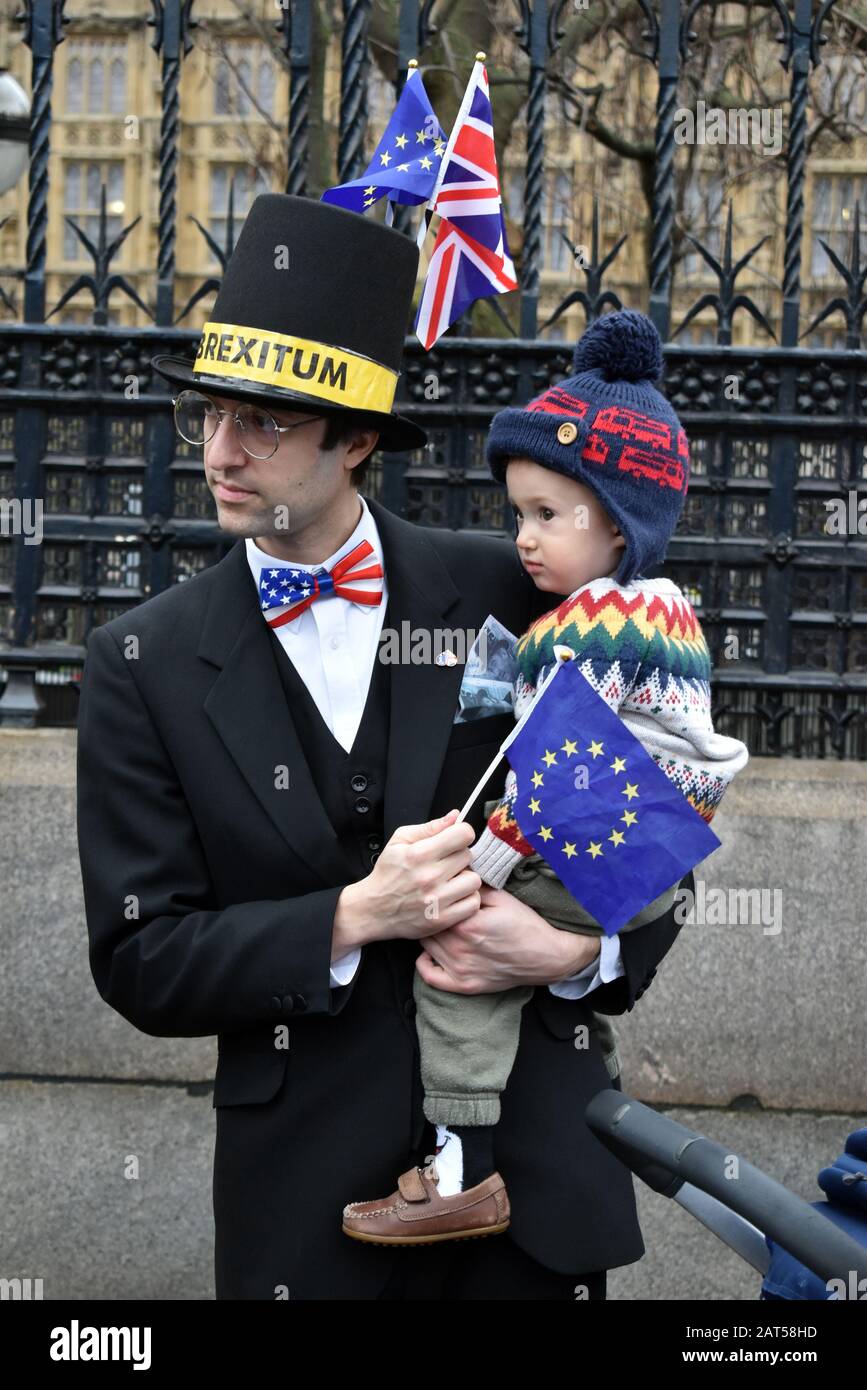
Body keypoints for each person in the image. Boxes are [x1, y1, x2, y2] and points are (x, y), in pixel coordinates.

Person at [76, 194, 688, 1301]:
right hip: (302, 1219)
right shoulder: (139, 662)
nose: (220, 453)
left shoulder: (519, 587)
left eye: (263, 422)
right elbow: (140, 958)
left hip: (536, 1200)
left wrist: (571, 957)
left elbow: (656, 837)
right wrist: (357, 914)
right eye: (209, 414)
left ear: (356, 439)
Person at [342, 310, 748, 1242]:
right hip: (634, 863)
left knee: (456, 972)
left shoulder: (590, 627)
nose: (522, 539)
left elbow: (558, 773)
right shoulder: (654, 610)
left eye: (546, 515)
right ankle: (541, 1112)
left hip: (589, 855)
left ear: (619, 521)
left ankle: (462, 1169)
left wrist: (486, 864)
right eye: (518, 513)